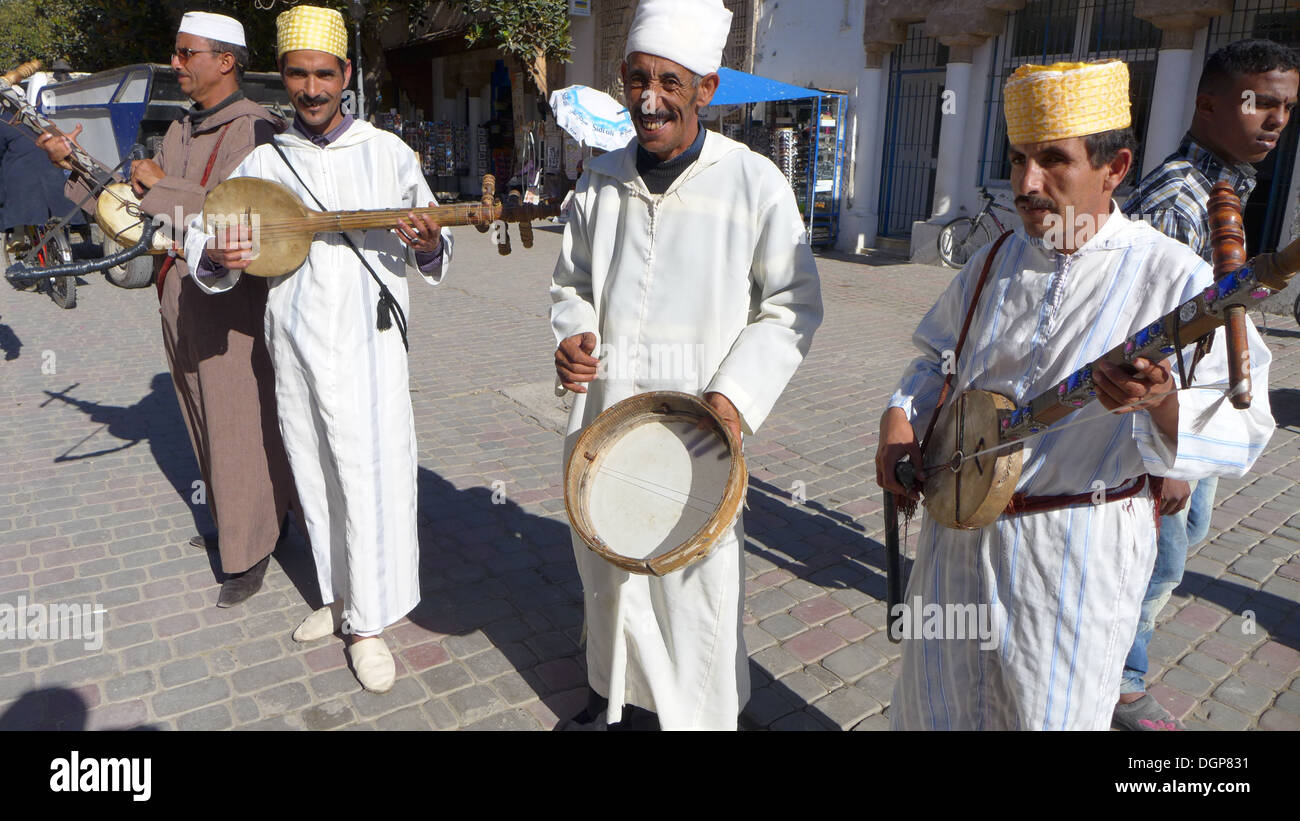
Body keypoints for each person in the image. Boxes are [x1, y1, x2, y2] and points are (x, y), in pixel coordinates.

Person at [875, 59, 1275, 730]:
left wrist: (1162, 404)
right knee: (935, 713)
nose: (1026, 184)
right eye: (1019, 159)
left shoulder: (1173, 276)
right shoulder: (994, 259)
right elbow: (934, 358)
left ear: (1115, 167)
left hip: (1072, 560)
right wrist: (898, 421)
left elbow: (1245, 415)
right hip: (957, 541)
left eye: (1052, 161)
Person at [551, 0, 823, 730]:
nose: (650, 97)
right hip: (605, 422)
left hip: (699, 431)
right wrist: (573, 333)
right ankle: (610, 696)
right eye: (637, 78)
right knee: (606, 565)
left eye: (669, 81)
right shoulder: (599, 181)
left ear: (706, 88)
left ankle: (698, 717)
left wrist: (733, 397)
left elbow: (792, 303)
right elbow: (570, 282)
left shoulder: (752, 182)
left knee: (692, 579)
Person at [188, 4, 453, 693]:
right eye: (298, 75)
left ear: (346, 75)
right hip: (296, 341)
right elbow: (205, 244)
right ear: (282, 76)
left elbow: (436, 244)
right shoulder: (264, 160)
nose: (311, 89)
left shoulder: (389, 153)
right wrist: (218, 252)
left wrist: (427, 242)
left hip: (369, 347)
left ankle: (369, 623)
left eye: (323, 74)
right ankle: (336, 598)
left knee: (370, 478)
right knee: (315, 471)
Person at [38, 11, 293, 609]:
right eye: (176, 54)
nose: (175, 64)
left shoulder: (255, 129)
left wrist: (158, 187)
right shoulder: (182, 127)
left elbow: (243, 211)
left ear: (225, 60)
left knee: (237, 420)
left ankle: (250, 549)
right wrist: (69, 164)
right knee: (201, 413)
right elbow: (139, 209)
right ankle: (244, 521)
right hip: (177, 292)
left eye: (186, 54)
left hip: (231, 300)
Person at [1116, 38, 1299, 731]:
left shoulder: (1225, 184)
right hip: (1167, 421)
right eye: (1261, 103)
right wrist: (1171, 451)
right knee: (1154, 562)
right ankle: (1119, 684)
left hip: (1199, 412)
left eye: (1287, 106)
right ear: (1209, 103)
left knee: (1174, 553)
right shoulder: (1177, 200)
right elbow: (1144, 340)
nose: (1276, 120)